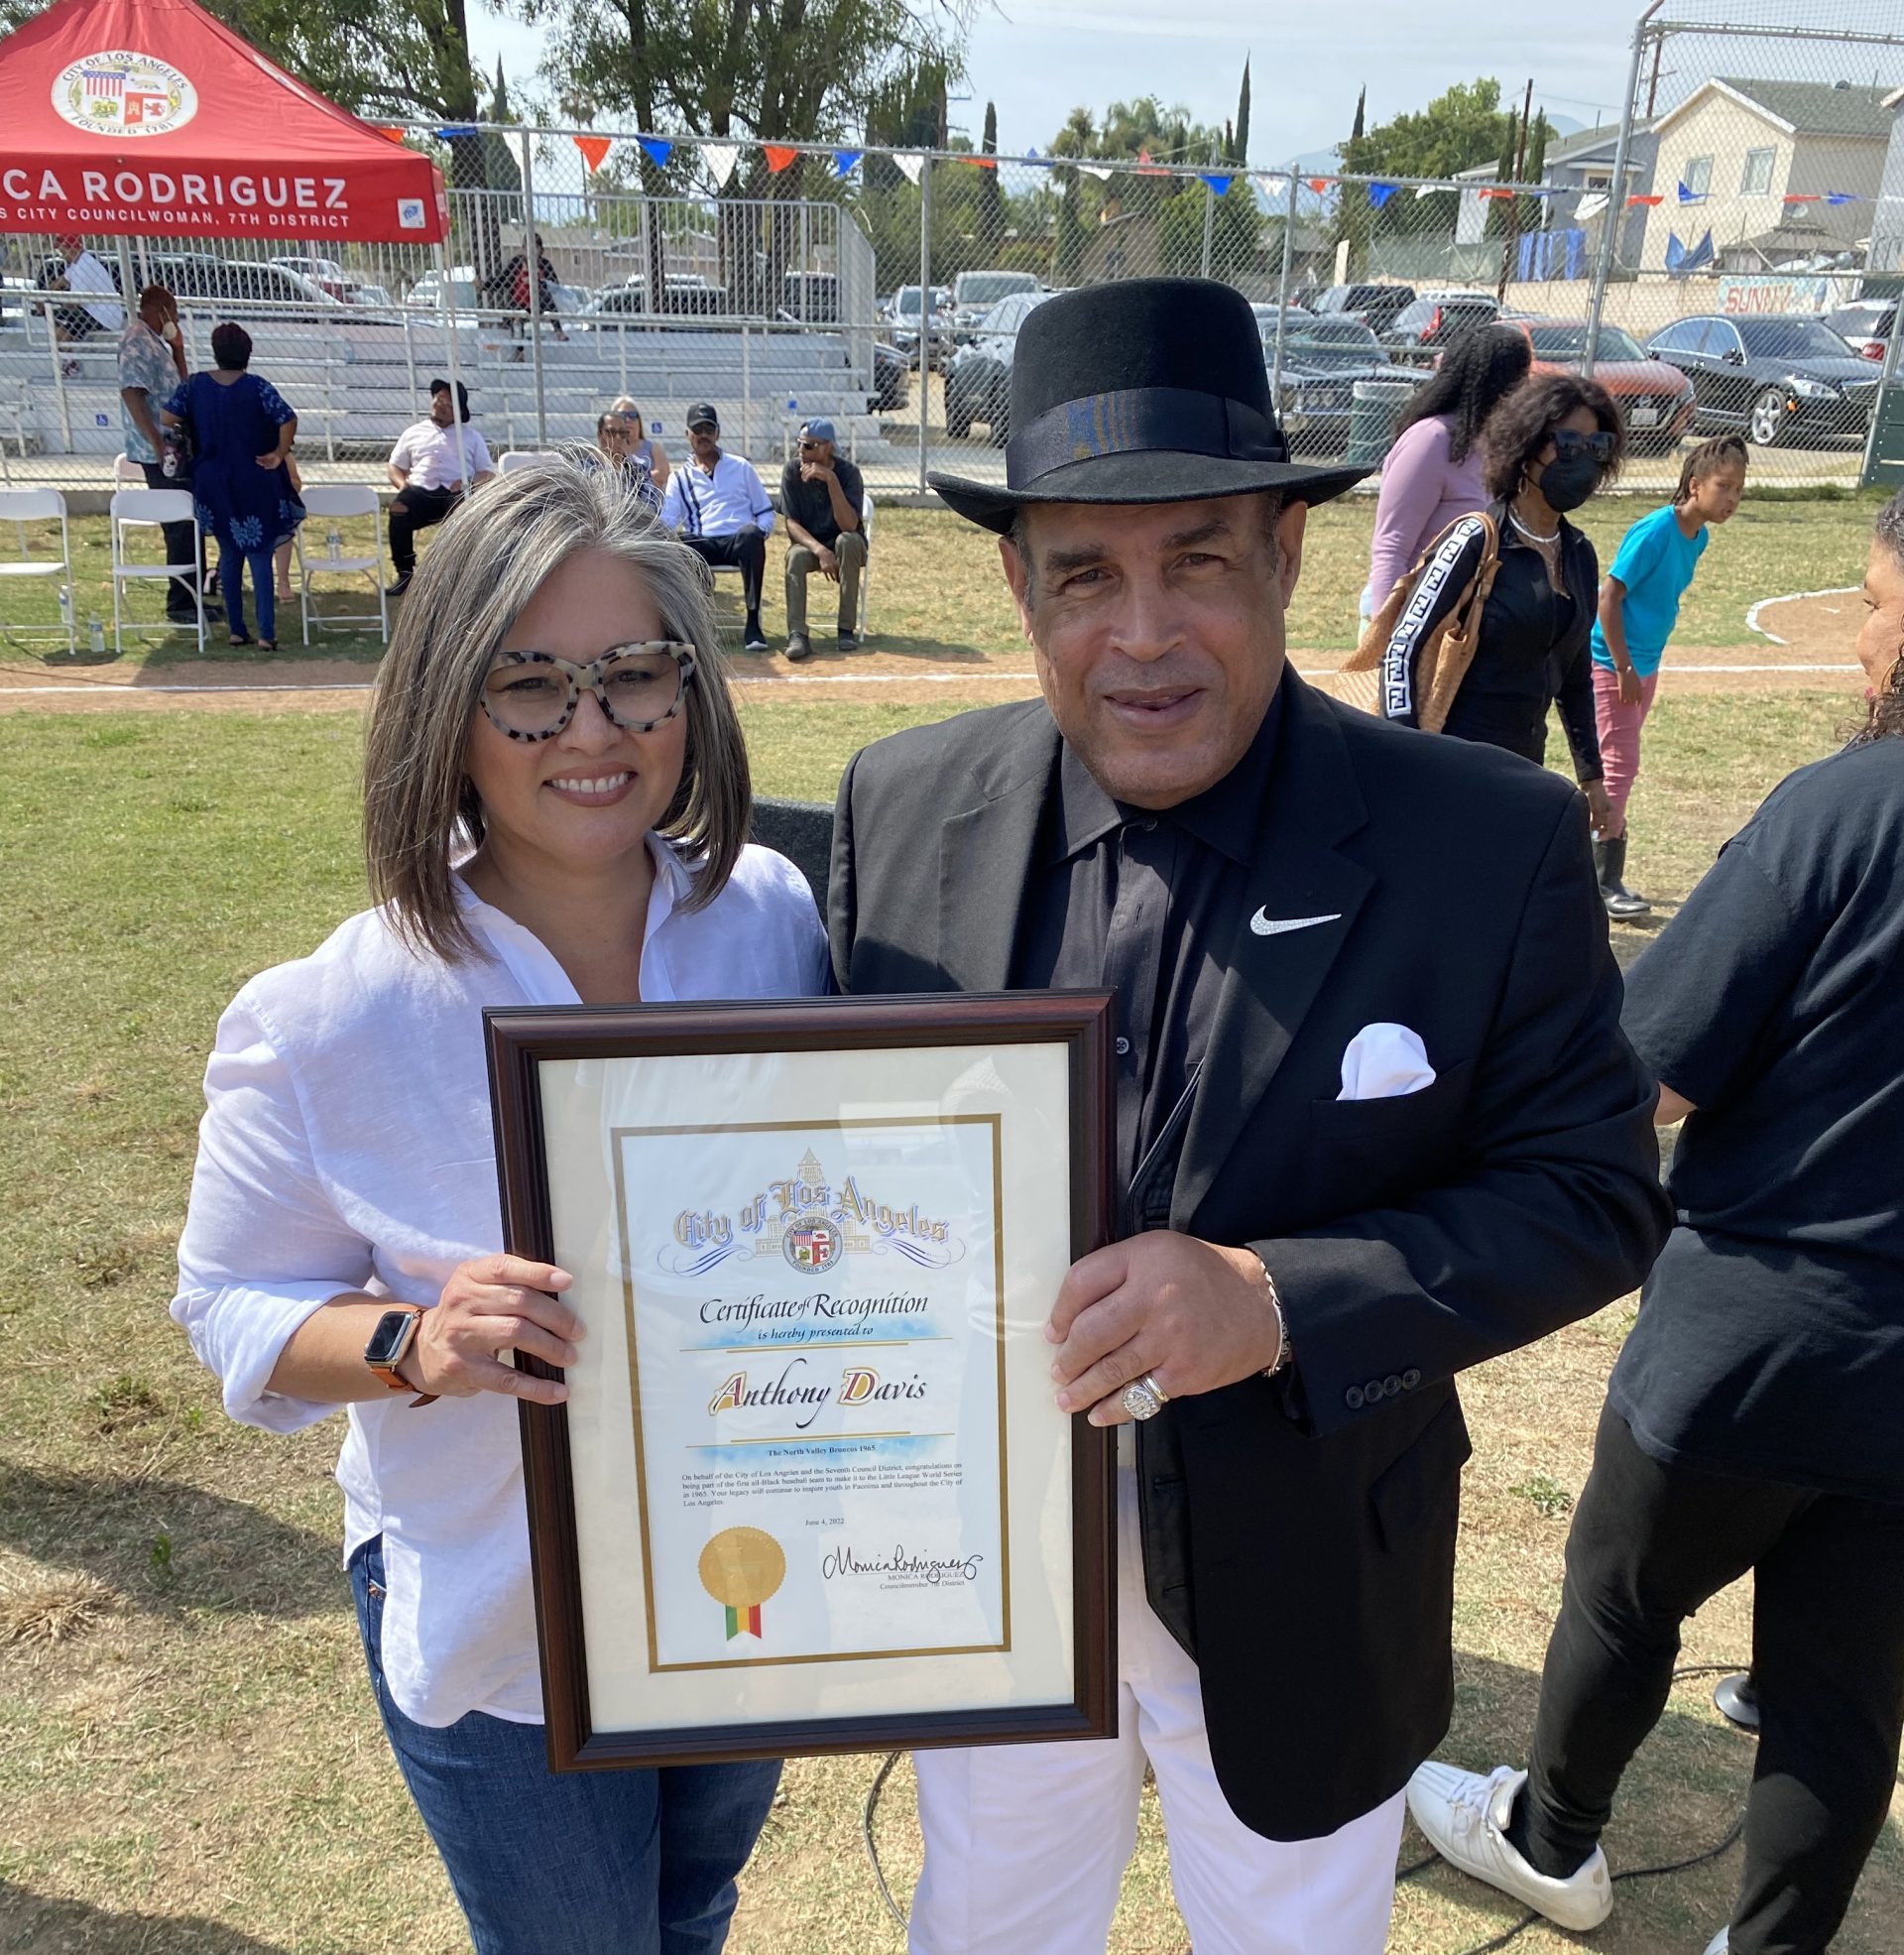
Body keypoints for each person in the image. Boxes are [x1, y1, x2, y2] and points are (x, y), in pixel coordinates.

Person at [828, 277, 1670, 1955]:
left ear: (1287, 555)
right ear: (1018, 583)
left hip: (1307, 1569)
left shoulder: (1481, 840)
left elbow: (1591, 1194)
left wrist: (1277, 1298)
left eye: (1199, 560)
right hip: (992, 1569)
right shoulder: (902, 805)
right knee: (988, 1927)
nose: (1143, 633)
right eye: (1085, 573)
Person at [171, 456, 830, 1955]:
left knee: (692, 1908)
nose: (591, 731)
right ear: (447, 709)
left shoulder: (768, 921)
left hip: (748, 1569)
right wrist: (417, 1340)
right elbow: (230, 1303)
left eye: (633, 674)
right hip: (505, 1618)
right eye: (529, 686)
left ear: (690, 689)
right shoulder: (331, 1014)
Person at [1407, 488, 1904, 1955]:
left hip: (1754, 1326)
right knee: (1844, 1690)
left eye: (1878, 607)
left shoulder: (1844, 808)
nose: (1860, 641)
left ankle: (1552, 1840)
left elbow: (1653, 1069)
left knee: (1623, 1598)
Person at [1377, 371, 1624, 836]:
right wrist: (1406, 755)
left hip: (1523, 772)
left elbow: (1574, 677)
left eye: (1598, 447)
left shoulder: (1579, 555)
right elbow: (1401, 649)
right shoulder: (1475, 540)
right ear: (1527, 446)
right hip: (1451, 771)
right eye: (1568, 444)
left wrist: (1592, 779)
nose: (1583, 461)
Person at [1590, 433, 1749, 918]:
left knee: (1617, 765)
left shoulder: (1698, 538)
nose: (1732, 498)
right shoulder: (1656, 530)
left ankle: (1596, 869)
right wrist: (1623, 666)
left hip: (1644, 665)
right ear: (1695, 485)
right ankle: (1599, 881)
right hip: (1615, 665)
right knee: (1619, 766)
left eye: (1739, 489)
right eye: (1724, 486)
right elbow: (1609, 596)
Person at [1364, 323, 1532, 624]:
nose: (1528, 389)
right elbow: (1392, 548)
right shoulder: (1431, 440)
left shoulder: (1502, 446)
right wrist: (1388, 636)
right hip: (1411, 621)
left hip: (1466, 623)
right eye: (1521, 377)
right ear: (1497, 383)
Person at [161, 323, 302, 651]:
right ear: (247, 353)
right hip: (254, 476)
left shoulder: (195, 385)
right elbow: (287, 418)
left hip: (212, 479)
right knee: (260, 552)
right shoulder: (257, 387)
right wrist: (279, 453)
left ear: (216, 352)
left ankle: (237, 629)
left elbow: (167, 416)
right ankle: (266, 632)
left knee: (228, 551)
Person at [118, 283, 215, 629]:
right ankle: (180, 603)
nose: (174, 319)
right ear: (160, 309)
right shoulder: (137, 340)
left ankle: (193, 596)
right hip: (160, 452)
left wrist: (179, 350)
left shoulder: (157, 344)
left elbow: (183, 390)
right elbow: (132, 394)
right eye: (172, 313)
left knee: (190, 520)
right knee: (178, 524)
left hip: (177, 447)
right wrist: (158, 445)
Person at [659, 406, 775, 652]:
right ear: (687, 434)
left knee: (751, 535)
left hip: (738, 541)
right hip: (704, 542)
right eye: (697, 429)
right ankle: (703, 624)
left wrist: (759, 533)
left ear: (718, 433)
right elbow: (668, 519)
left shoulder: (741, 467)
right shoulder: (679, 478)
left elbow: (765, 511)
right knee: (683, 542)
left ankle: (753, 624)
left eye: (708, 429)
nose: (703, 435)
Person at [386, 379, 495, 597]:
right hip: (419, 491)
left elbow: (487, 473)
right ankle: (405, 573)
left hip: (455, 493)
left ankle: (455, 573)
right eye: (438, 400)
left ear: (459, 411)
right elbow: (394, 466)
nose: (441, 406)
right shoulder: (414, 432)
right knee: (398, 509)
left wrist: (470, 484)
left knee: (462, 509)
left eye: (448, 404)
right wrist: (402, 484)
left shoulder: (471, 437)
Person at [780, 418, 866, 662]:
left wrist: (831, 480)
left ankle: (846, 630)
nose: (801, 450)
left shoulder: (849, 473)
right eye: (799, 443)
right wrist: (821, 551)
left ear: (828, 447)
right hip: (811, 545)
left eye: (809, 445)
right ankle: (798, 634)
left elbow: (849, 525)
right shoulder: (792, 471)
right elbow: (791, 523)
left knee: (848, 541)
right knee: (795, 557)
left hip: (846, 545)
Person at [44, 232, 123, 343]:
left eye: (61, 249)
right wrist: (45, 294)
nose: (60, 254)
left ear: (70, 248)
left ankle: (66, 348)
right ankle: (67, 347)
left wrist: (51, 302)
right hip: (92, 313)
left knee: (52, 313)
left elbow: (73, 303)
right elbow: (61, 281)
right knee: (57, 316)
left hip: (103, 317)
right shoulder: (78, 262)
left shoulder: (84, 266)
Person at [594, 403, 664, 511]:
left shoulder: (638, 473)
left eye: (622, 433)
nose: (618, 437)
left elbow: (652, 506)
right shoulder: (587, 470)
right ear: (600, 435)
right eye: (611, 432)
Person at [598, 397, 670, 491]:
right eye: (622, 415)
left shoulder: (653, 447)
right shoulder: (606, 450)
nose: (628, 419)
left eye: (633, 415)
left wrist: (631, 476)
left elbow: (662, 475)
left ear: (639, 420)